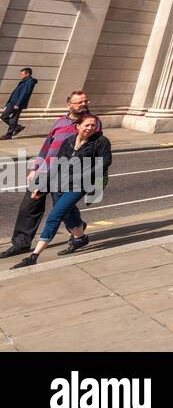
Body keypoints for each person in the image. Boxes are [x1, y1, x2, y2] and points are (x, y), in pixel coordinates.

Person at [0, 91, 97, 259]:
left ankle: (78, 230)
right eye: (78, 102)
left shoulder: (90, 123)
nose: (83, 104)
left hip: (66, 173)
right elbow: (47, 146)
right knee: (29, 207)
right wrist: (35, 167)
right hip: (45, 170)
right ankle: (21, 244)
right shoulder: (60, 121)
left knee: (63, 207)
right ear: (69, 105)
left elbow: (93, 148)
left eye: (85, 101)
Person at [11, 113, 112, 268]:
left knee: (55, 214)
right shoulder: (69, 141)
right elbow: (57, 165)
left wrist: (84, 174)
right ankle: (80, 238)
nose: (91, 128)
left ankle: (34, 255)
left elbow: (105, 161)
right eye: (87, 125)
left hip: (81, 184)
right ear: (78, 126)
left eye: (93, 125)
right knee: (66, 212)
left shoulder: (100, 141)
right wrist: (42, 186)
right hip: (62, 182)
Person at [1, 67, 37, 140]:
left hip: (16, 103)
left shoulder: (29, 81)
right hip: (13, 102)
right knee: (6, 117)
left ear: (27, 74)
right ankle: (17, 127)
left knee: (11, 117)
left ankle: (9, 134)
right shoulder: (24, 81)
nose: (21, 75)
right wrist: (8, 103)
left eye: (22, 74)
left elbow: (24, 93)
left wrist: (18, 104)